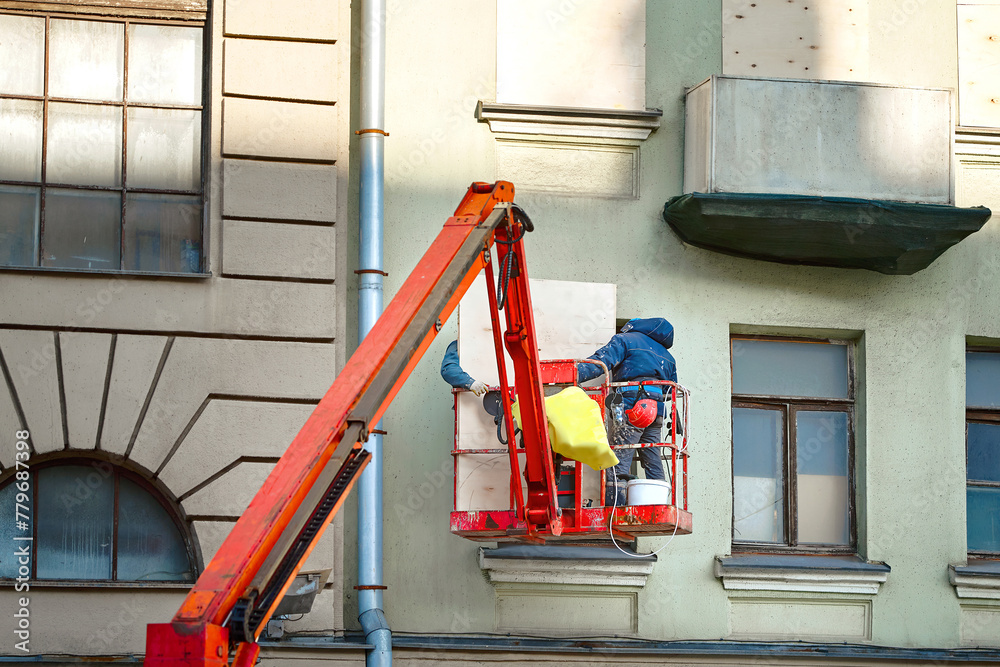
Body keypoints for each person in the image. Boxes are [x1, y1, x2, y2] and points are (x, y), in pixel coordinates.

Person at [577, 318, 677, 505]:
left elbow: (600, 363)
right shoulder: (667, 356)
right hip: (656, 411)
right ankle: (658, 503)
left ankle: (616, 505)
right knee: (651, 453)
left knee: (620, 453)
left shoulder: (626, 340)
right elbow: (670, 391)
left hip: (633, 405)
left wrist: (573, 373)